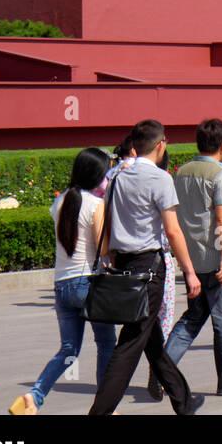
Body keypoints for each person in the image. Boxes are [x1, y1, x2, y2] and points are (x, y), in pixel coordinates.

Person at [88, 119, 204, 416]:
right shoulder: (160, 178)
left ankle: (183, 400)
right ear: (161, 144)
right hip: (149, 266)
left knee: (150, 337)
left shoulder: (116, 175)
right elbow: (173, 230)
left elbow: (110, 220)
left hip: (123, 262)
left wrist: (112, 256)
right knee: (129, 345)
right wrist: (189, 271)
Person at [10, 148, 118, 414]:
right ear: (97, 175)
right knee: (106, 343)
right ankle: (105, 407)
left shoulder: (59, 203)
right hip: (89, 284)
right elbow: (103, 249)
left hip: (62, 284)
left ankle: (35, 395)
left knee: (69, 350)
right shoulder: (95, 205)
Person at [162, 119, 222, 396]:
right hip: (217, 260)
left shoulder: (182, 173)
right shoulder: (220, 174)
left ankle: (162, 372)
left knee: (192, 318)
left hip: (192, 260)